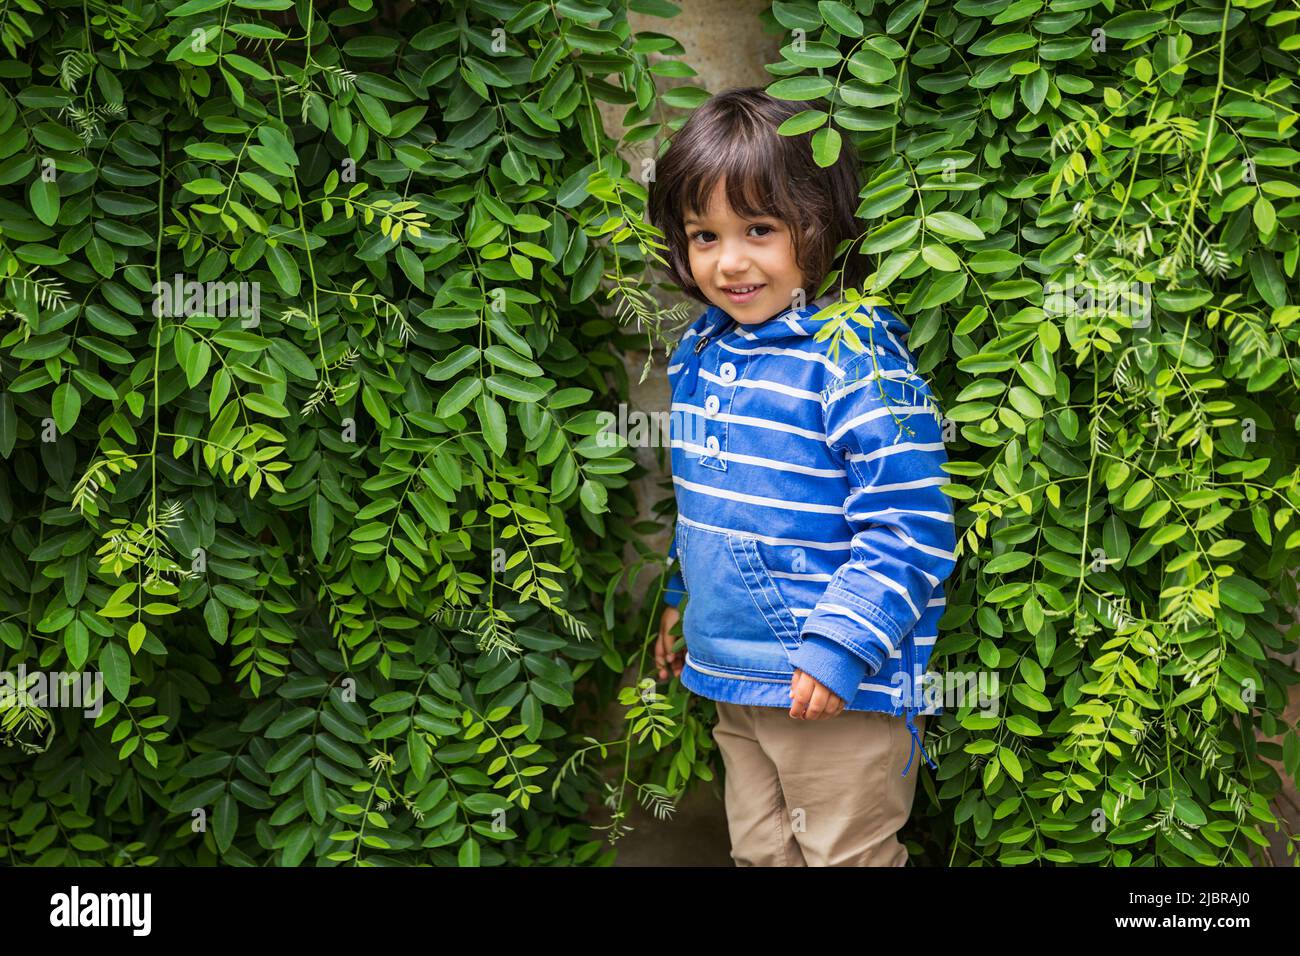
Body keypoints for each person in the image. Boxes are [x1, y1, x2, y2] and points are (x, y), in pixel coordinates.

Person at [645, 87, 958, 867]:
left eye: (759, 229)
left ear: (818, 227)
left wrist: (839, 647)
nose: (730, 261)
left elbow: (908, 524)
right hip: (731, 673)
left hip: (829, 686)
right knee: (761, 853)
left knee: (845, 855)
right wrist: (683, 606)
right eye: (704, 235)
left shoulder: (853, 356)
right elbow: (708, 509)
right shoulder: (702, 354)